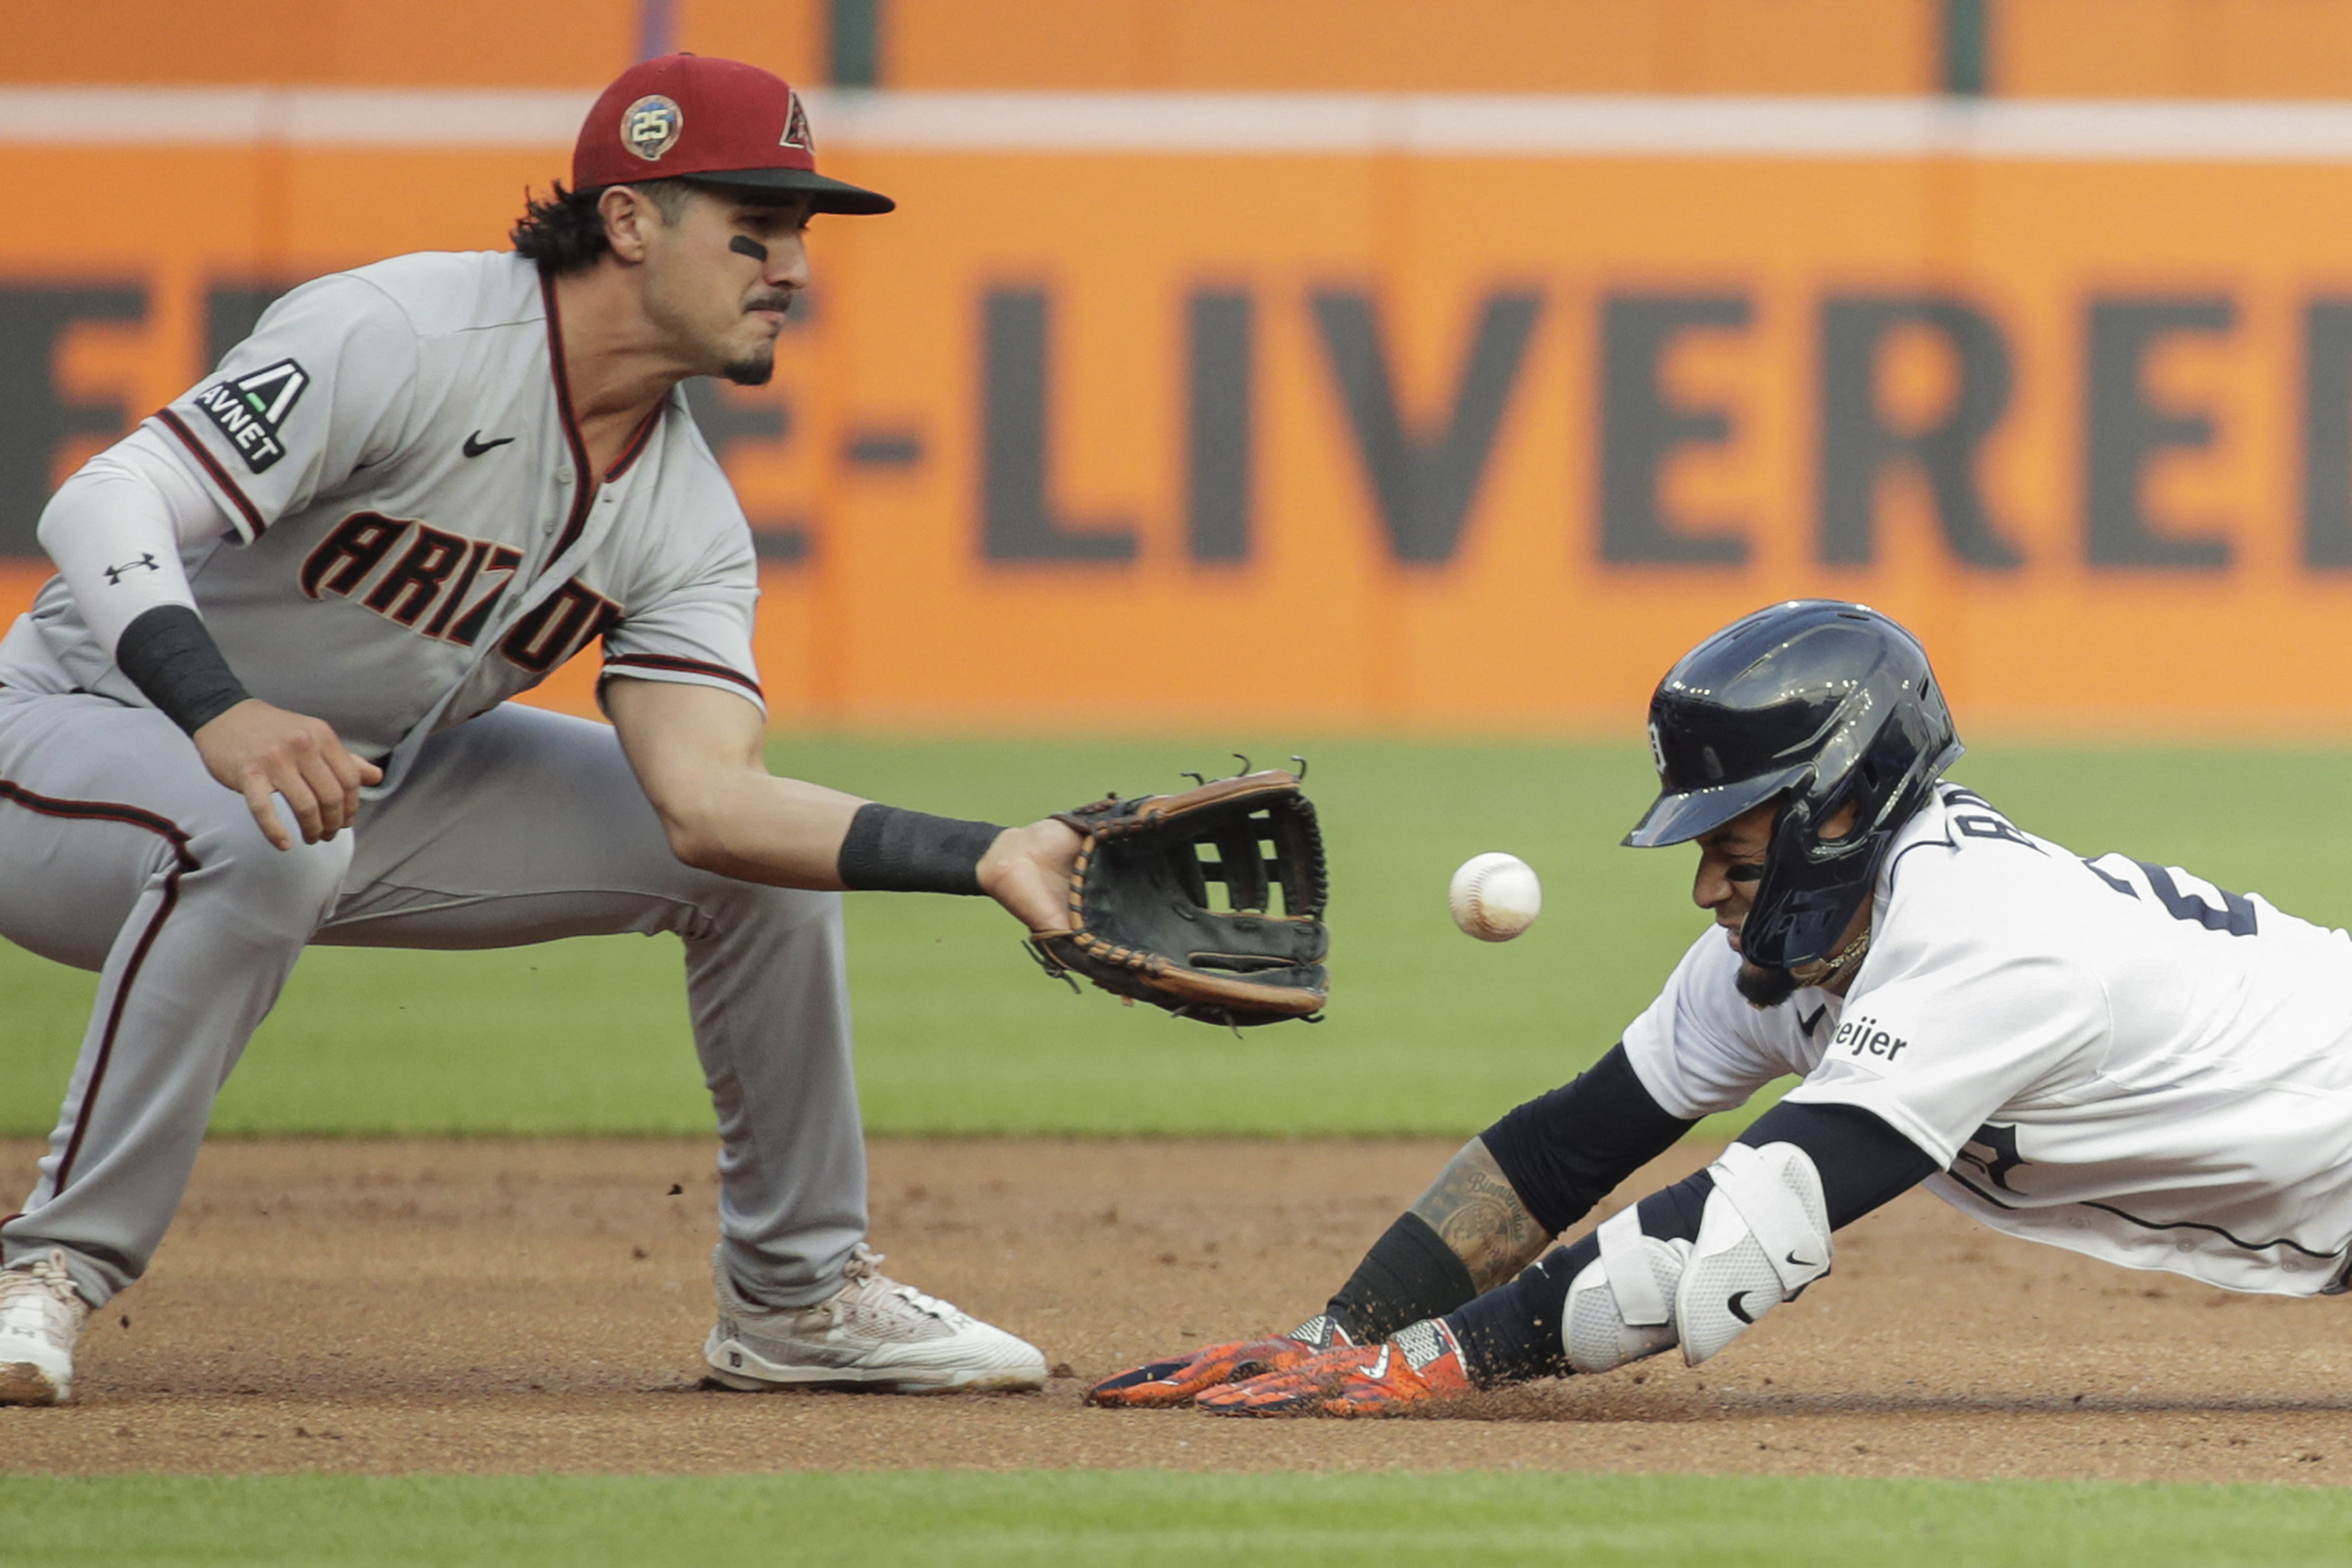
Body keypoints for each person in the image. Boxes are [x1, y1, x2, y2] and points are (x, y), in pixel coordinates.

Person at [0, 54, 1078, 1407]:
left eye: (798, 235)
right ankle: (42, 1270)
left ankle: (798, 1297)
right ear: (629, 220)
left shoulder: (684, 512)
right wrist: (218, 710)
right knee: (264, 832)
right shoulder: (405, 330)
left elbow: (712, 804)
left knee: (763, 872)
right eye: (754, 226)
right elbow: (101, 504)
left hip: (357, 786)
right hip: (66, 739)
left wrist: (986, 853)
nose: (791, 268)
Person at [1089, 598, 2352, 1417]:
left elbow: (1745, 1231)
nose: (1705, 886)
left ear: (1844, 807)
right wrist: (1340, 1329)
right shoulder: (1790, 939)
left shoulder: (1990, 937)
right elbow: (1565, 1145)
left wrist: (1433, 1361)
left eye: (1734, 845)